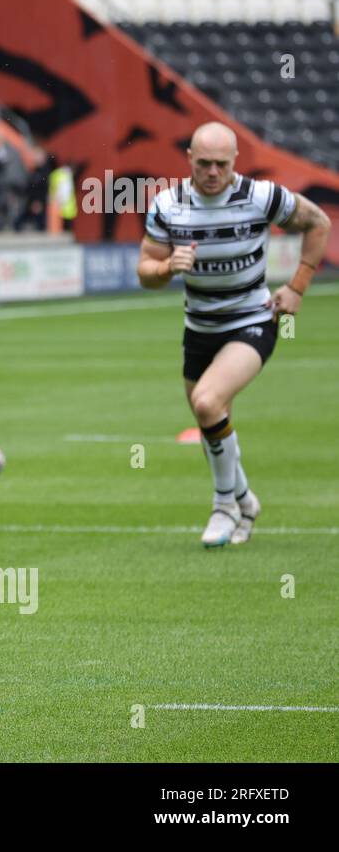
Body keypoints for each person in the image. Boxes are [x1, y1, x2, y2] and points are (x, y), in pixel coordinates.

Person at [137, 122, 331, 547]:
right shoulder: (168, 205)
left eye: (221, 164)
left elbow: (318, 222)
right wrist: (168, 268)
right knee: (211, 422)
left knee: (208, 403)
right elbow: (145, 271)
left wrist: (297, 286)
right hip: (199, 328)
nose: (212, 172)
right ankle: (245, 499)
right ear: (188, 157)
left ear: (235, 162)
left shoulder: (260, 196)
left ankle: (224, 505)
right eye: (203, 163)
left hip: (252, 320)